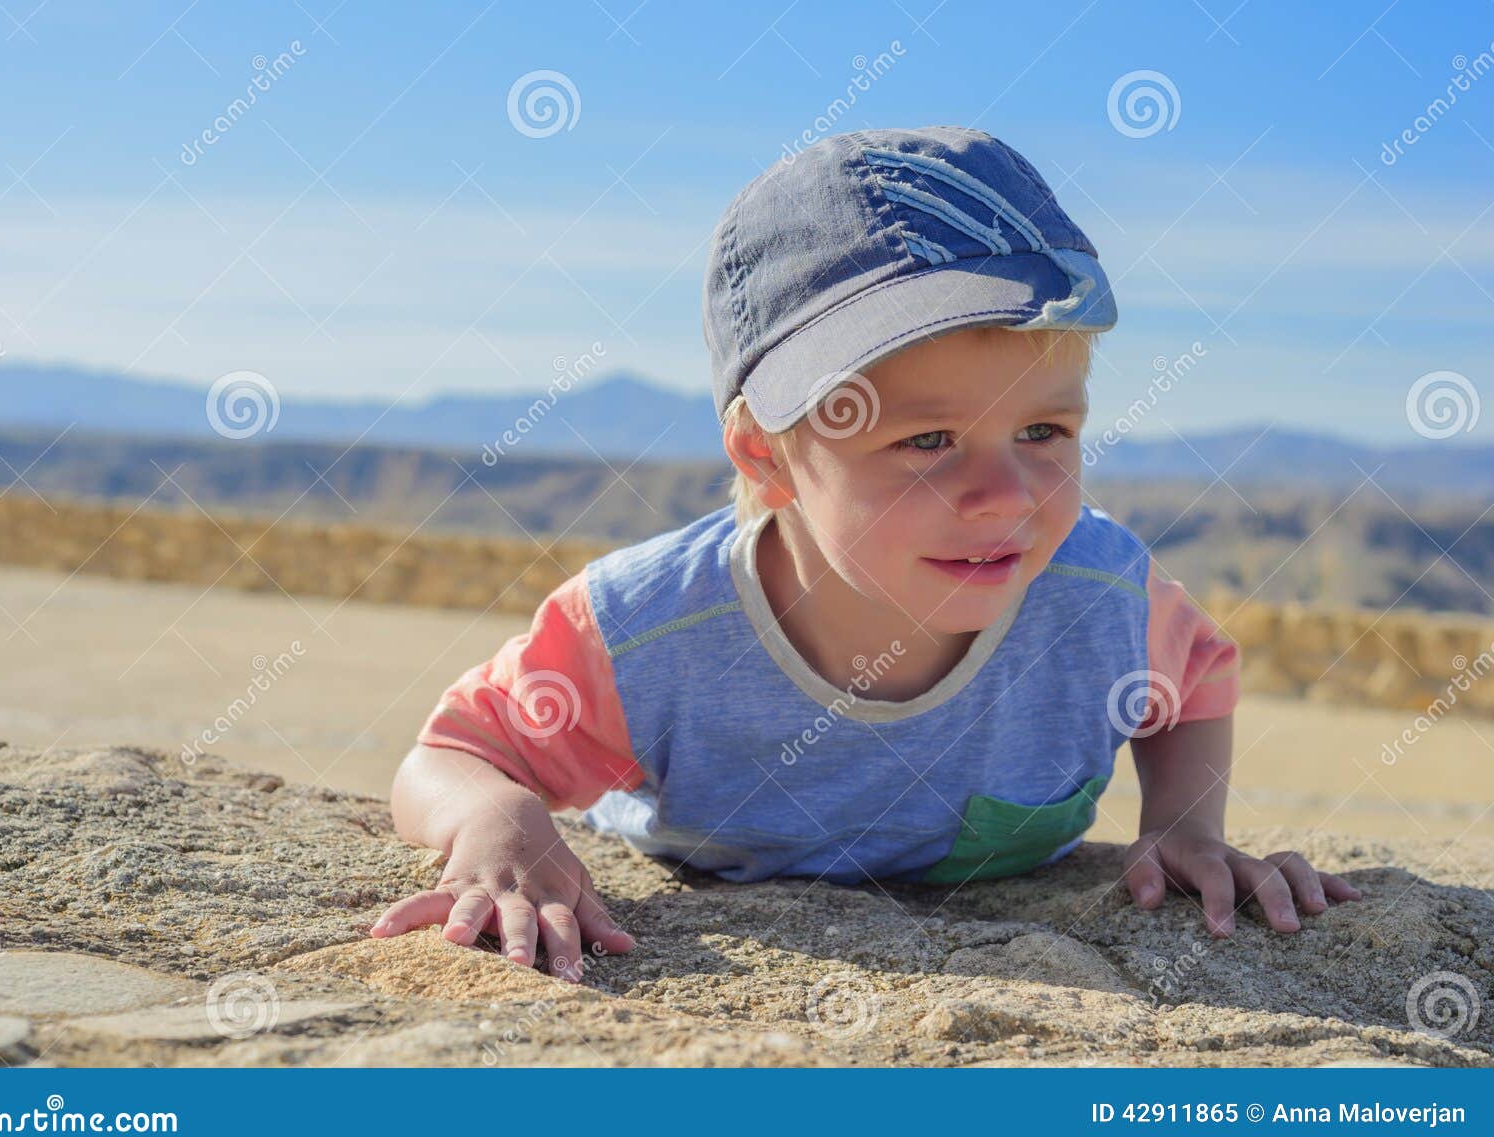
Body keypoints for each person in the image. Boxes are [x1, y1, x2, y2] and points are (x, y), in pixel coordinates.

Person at [370, 126, 1361, 980]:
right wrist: (493, 822)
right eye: (926, 443)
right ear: (767, 454)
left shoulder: (1099, 590)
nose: (1005, 498)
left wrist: (1182, 825)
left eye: (1043, 434)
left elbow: (1194, 681)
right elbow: (455, 752)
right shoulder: (649, 632)